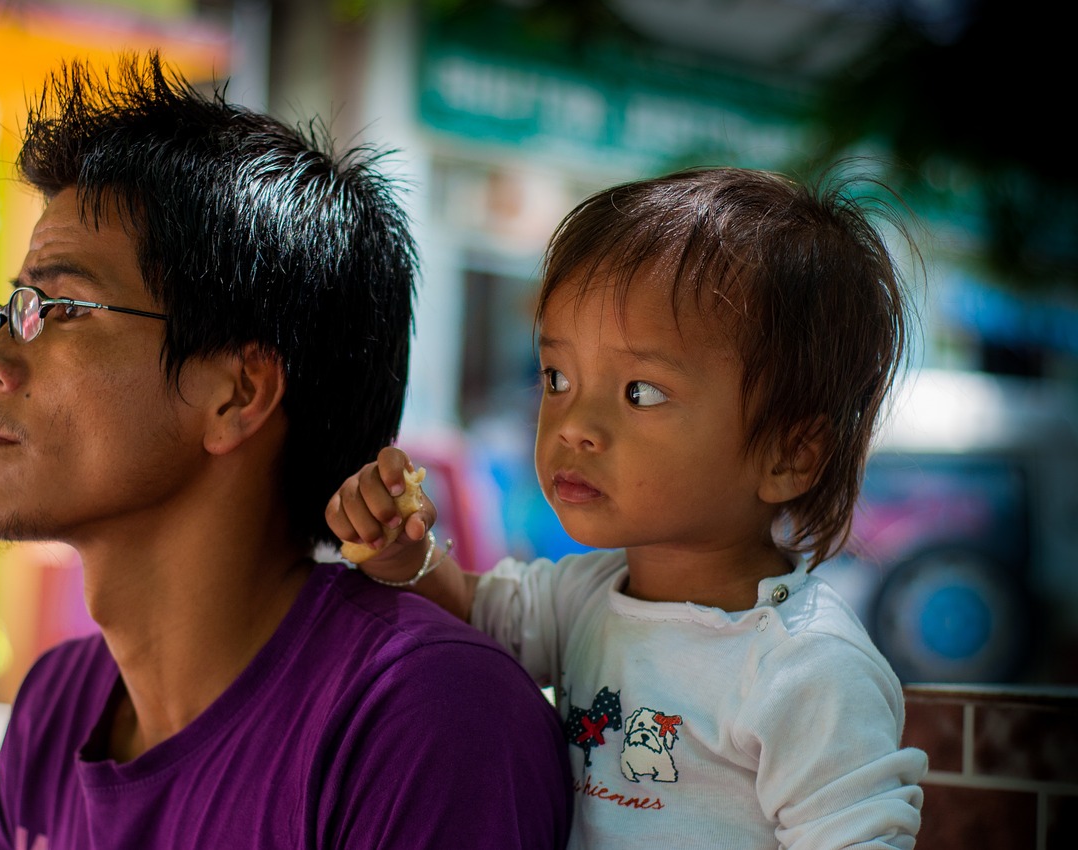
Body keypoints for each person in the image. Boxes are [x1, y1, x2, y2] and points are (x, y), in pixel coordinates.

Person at [0, 53, 571, 849]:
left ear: (238, 394)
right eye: (12, 308)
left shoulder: (423, 715)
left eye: (60, 308)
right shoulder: (56, 701)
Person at [328, 167, 929, 848]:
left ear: (789, 454)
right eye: (557, 378)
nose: (573, 424)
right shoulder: (586, 597)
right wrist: (402, 549)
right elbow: (463, 608)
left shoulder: (807, 669)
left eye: (641, 392)